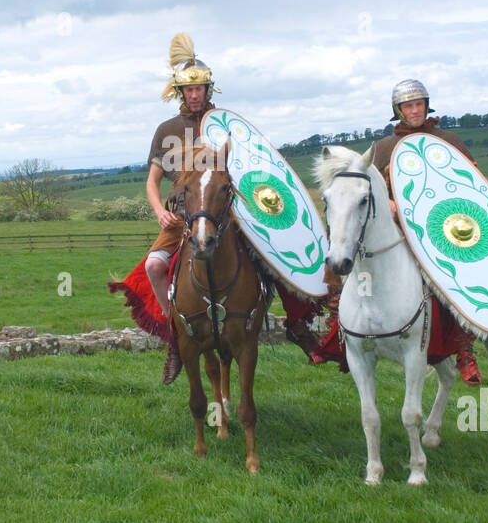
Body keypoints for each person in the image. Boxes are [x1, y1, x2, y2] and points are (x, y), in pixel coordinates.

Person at [108, 32, 326, 384]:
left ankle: (297, 324)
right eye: (189, 90)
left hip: (227, 213)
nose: (195, 96)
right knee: (153, 265)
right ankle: (176, 337)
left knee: (271, 260)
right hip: (181, 216)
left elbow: (254, 169)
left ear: (209, 90)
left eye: (200, 90)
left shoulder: (228, 127)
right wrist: (159, 212)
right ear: (180, 92)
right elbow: (152, 182)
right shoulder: (168, 130)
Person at [311, 79, 484, 385]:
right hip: (397, 229)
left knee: (450, 283)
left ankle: (464, 349)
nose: (415, 110)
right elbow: (369, 189)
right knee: (348, 263)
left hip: (441, 231)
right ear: (398, 111)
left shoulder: (448, 141)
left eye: (419, 104)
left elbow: (472, 187)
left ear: (426, 106)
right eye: (408, 106)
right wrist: (391, 203)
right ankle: (341, 334)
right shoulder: (385, 148)